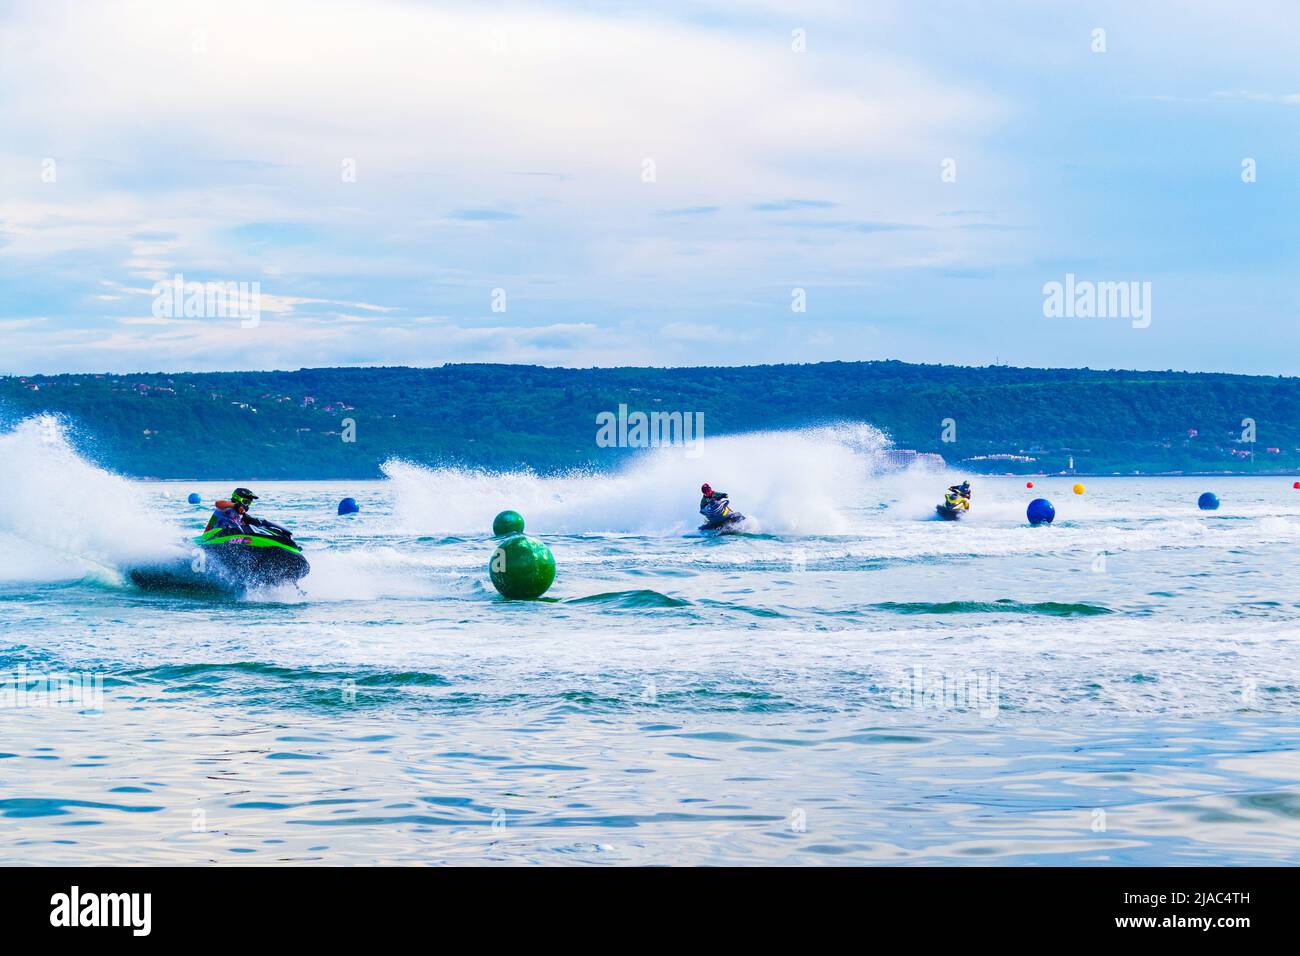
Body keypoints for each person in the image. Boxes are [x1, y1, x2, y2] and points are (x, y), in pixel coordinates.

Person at [204, 488, 278, 533]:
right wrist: (235, 505)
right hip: (211, 538)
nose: (246, 505)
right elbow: (218, 503)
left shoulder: (240, 516)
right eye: (245, 502)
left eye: (249, 503)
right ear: (237, 499)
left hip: (227, 539)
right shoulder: (226, 507)